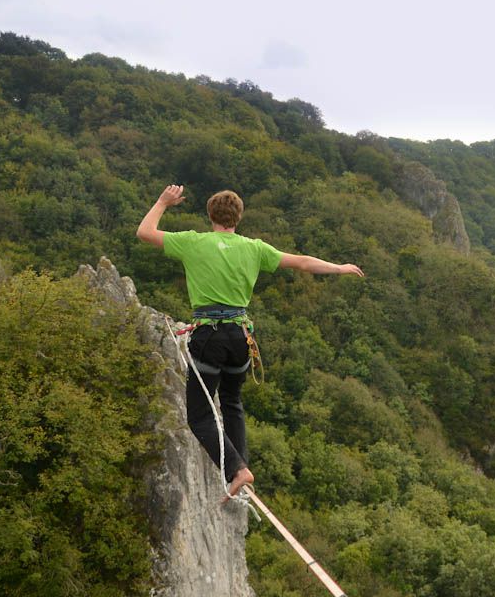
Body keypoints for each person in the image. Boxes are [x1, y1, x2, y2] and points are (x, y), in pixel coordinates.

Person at [137, 184, 364, 500]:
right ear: (238, 218)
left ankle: (238, 470)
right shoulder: (255, 248)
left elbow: (145, 232)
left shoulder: (192, 242)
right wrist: (339, 268)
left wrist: (163, 201)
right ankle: (239, 467)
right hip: (241, 337)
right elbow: (301, 262)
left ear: (210, 215)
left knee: (200, 415)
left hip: (209, 337)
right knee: (231, 402)